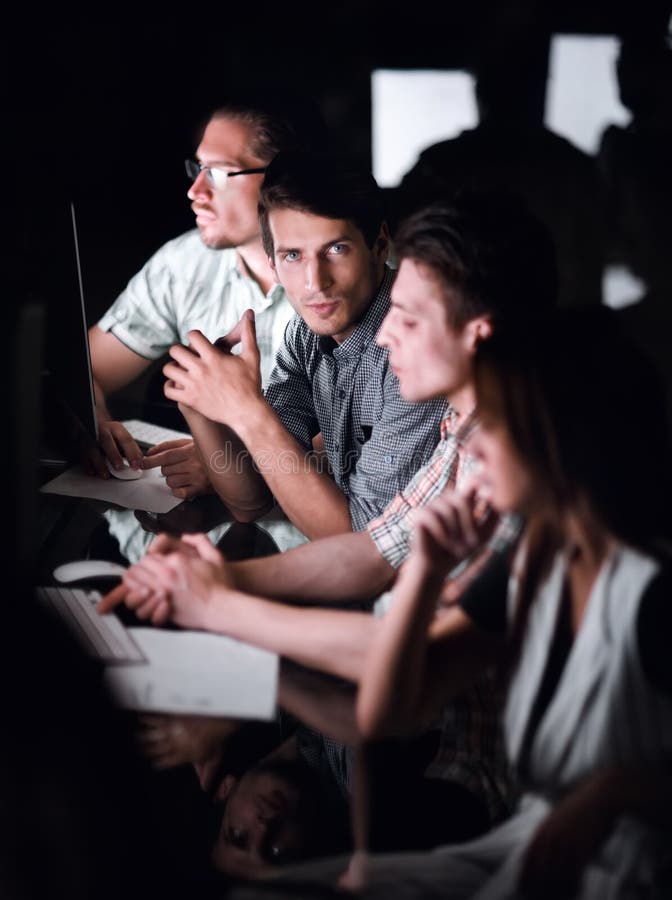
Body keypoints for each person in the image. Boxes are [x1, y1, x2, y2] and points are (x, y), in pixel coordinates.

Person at [99, 190, 558, 843]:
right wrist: (212, 581)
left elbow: (404, 666)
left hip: (474, 792)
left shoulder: (526, 466)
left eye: (407, 314)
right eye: (290, 254)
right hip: (422, 759)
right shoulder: (465, 424)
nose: (386, 333)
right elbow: (370, 549)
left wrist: (220, 613)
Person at [332, 307, 672, 899]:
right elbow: (387, 714)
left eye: (491, 423)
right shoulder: (533, 560)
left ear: (556, 437)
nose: (468, 444)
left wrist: (616, 791)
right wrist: (425, 573)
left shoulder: (654, 594)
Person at [162, 150, 446, 537]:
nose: (315, 282)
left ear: (379, 246)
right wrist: (200, 405)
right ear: (273, 264)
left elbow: (360, 542)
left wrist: (247, 411)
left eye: (336, 249)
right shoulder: (306, 333)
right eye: (293, 255)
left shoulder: (418, 351)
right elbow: (255, 501)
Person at [88, 92, 327, 499]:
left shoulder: (344, 278)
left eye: (217, 173)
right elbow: (86, 370)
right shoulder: (183, 262)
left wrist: (228, 463)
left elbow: (364, 443)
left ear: (282, 177)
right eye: (197, 169)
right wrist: (93, 424)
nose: (195, 191)